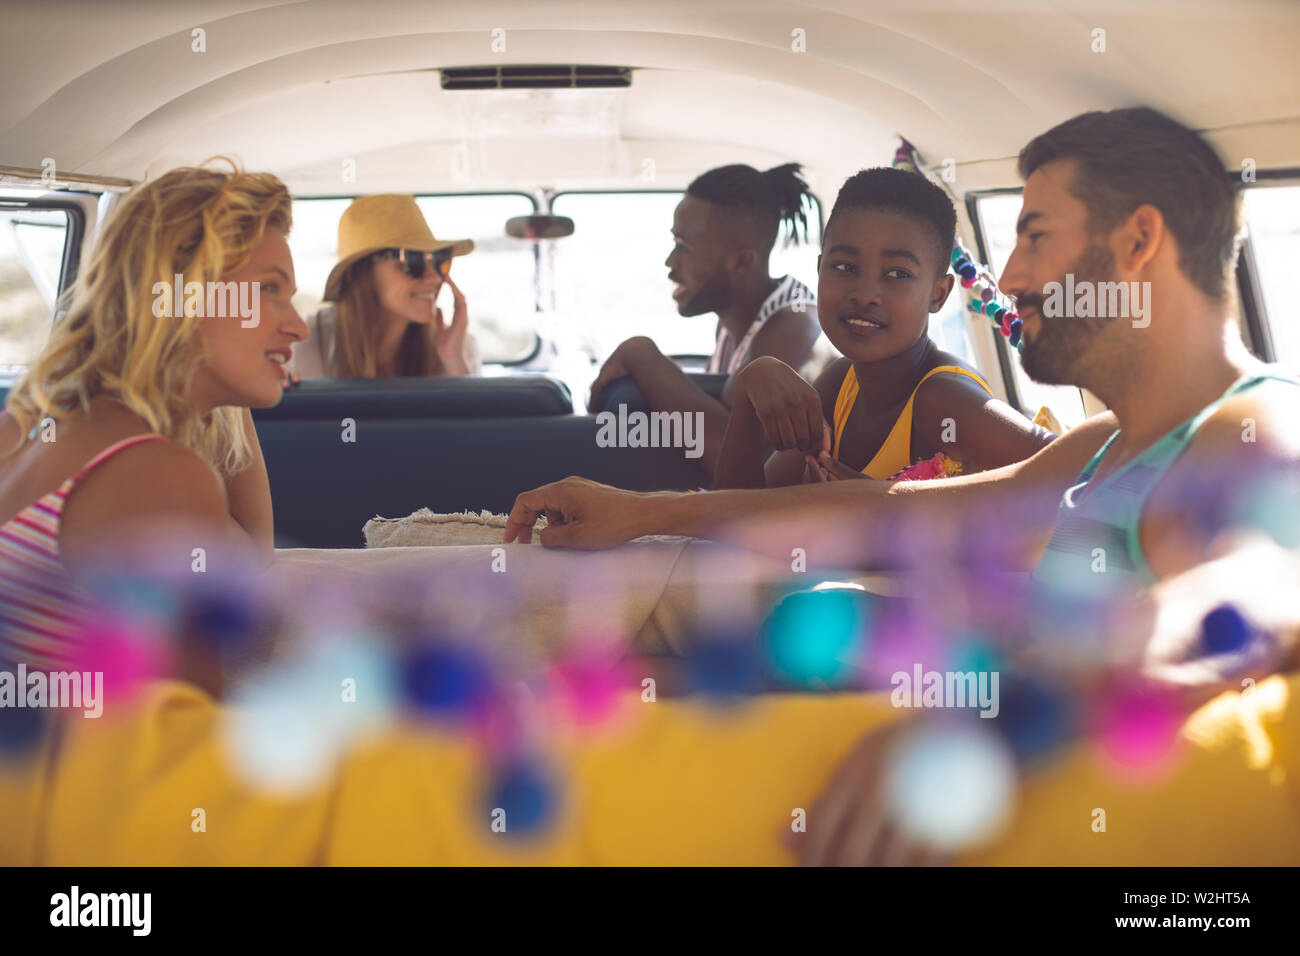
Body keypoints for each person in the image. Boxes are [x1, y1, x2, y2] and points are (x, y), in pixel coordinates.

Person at [503, 106, 1300, 862]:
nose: (1010, 274)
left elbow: (1255, 591)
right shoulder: (1105, 443)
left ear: (1139, 242)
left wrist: (986, 728)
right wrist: (642, 512)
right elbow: (888, 511)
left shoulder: (1258, 428)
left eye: (1033, 234)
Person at [0, 160, 306, 669]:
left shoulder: (25, 427)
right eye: (268, 290)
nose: (298, 327)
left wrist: (220, 381)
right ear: (184, 293)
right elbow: (186, 734)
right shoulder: (156, 473)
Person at [715, 167, 1054, 489]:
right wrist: (750, 387)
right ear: (819, 270)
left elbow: (1080, 473)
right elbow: (735, 517)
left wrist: (874, 506)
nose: (864, 295)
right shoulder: (840, 384)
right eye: (844, 267)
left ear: (938, 294)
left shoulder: (945, 400)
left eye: (898, 274)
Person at [588, 164, 823, 482]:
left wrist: (641, 354)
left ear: (741, 261)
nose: (670, 263)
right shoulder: (732, 325)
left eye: (684, 247)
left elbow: (732, 458)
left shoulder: (795, 326)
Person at [288, 194, 477, 380]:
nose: (435, 277)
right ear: (357, 273)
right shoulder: (300, 345)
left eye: (439, 259)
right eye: (413, 260)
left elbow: (477, 411)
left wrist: (454, 362)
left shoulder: (458, 347)